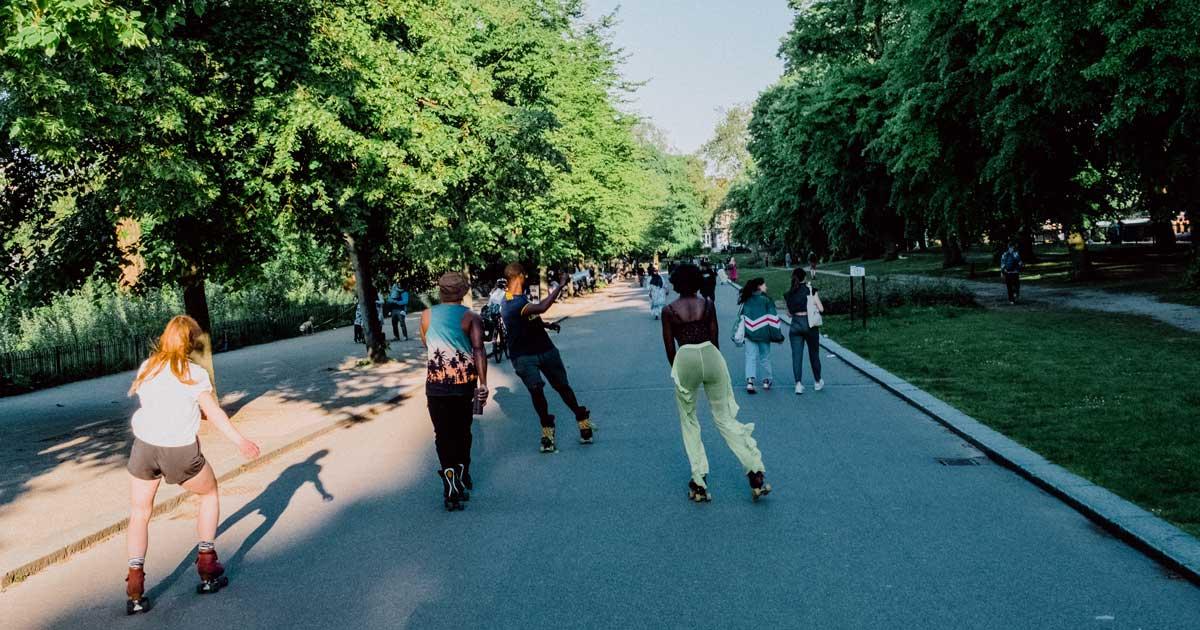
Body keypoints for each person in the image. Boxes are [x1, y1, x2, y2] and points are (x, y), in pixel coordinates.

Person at [123, 315, 261, 615]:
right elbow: (214, 413)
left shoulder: (149, 367)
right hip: (179, 451)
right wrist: (241, 441)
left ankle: (135, 584)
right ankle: (208, 565)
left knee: (139, 512)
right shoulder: (194, 374)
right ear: (190, 342)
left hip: (144, 448)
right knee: (209, 493)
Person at [661, 264, 771, 503]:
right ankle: (754, 471)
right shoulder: (708, 305)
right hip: (711, 356)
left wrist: (678, 372)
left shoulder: (669, 310)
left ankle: (699, 480)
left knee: (689, 420)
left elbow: (670, 348)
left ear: (676, 283)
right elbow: (715, 339)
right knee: (724, 418)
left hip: (685, 359)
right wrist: (716, 368)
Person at [502, 263, 594, 453]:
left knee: (562, 386)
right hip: (524, 357)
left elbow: (527, 317)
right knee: (537, 391)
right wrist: (560, 285)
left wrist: (546, 326)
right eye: (526, 275)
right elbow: (541, 307)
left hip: (545, 349)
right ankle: (547, 430)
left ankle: (582, 418)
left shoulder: (516, 298)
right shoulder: (511, 302)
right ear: (520, 275)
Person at [420, 272, 489, 511]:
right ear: (463, 292)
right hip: (462, 386)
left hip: (435, 386)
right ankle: (461, 472)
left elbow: (426, 344)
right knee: (462, 433)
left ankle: (449, 479)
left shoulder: (426, 316)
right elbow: (479, 350)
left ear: (440, 292)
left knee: (442, 435)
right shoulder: (471, 317)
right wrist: (483, 384)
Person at [737, 277, 782, 394]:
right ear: (759, 287)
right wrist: (778, 336)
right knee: (765, 357)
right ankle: (766, 381)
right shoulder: (767, 300)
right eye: (764, 285)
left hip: (749, 333)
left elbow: (741, 318)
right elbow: (773, 320)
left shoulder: (746, 300)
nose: (766, 287)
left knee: (750, 357)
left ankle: (750, 382)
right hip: (764, 334)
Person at [784, 268, 824, 395]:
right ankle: (817, 382)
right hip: (810, 325)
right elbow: (821, 308)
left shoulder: (789, 293)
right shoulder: (811, 290)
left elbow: (789, 314)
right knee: (814, 354)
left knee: (797, 356)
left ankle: (798, 384)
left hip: (795, 325)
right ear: (804, 278)